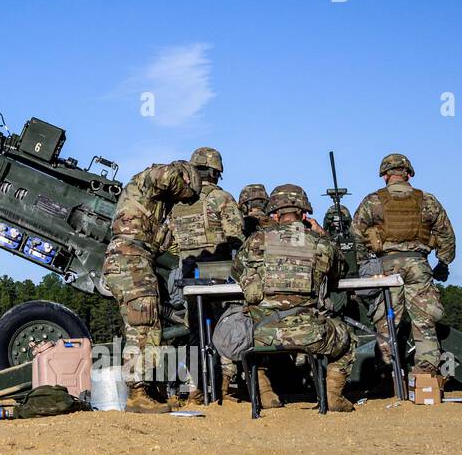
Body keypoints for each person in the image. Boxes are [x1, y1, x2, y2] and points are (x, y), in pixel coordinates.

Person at [234, 184, 356, 411]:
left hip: (262, 334)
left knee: (246, 337)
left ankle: (266, 394)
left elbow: (236, 270)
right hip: (309, 334)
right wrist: (322, 234)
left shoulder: (257, 241)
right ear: (304, 214)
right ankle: (332, 395)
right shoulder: (318, 243)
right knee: (347, 338)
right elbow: (341, 269)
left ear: (276, 214)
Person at [103, 161, 201, 413]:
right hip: (130, 258)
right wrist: (187, 186)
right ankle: (137, 394)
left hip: (136, 258)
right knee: (143, 326)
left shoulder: (152, 201)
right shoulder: (151, 177)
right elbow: (166, 177)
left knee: (152, 325)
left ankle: (149, 389)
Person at [351, 154, 456, 378]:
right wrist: (443, 263)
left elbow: (356, 234)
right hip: (418, 264)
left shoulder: (373, 200)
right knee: (424, 321)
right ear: (408, 173)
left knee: (386, 320)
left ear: (385, 175)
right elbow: (446, 236)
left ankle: (388, 372)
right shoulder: (427, 200)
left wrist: (364, 265)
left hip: (386, 266)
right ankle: (426, 372)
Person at [163, 147, 244, 404]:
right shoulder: (222, 198)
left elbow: (170, 243)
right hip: (219, 272)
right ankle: (227, 386)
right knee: (226, 325)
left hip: (189, 274)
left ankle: (195, 388)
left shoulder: (178, 204)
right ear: (216, 172)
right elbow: (236, 238)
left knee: (196, 333)